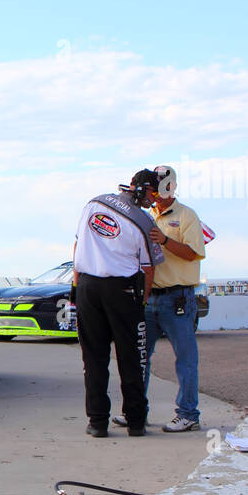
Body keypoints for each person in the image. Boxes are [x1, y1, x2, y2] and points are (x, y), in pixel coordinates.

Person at [113, 164, 206, 432]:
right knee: (140, 356)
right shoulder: (146, 214)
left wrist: (164, 241)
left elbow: (193, 253)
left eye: (156, 189)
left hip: (178, 297)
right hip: (150, 297)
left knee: (185, 358)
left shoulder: (187, 215)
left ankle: (188, 414)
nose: (153, 195)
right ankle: (135, 410)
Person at [73, 170, 164, 437]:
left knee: (93, 358)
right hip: (122, 290)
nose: (154, 199)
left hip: (88, 287)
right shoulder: (143, 222)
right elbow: (149, 268)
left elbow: (77, 246)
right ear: (141, 189)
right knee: (131, 358)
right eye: (153, 193)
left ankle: (97, 422)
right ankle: (136, 422)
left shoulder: (94, 203)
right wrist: (142, 302)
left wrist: (77, 289)